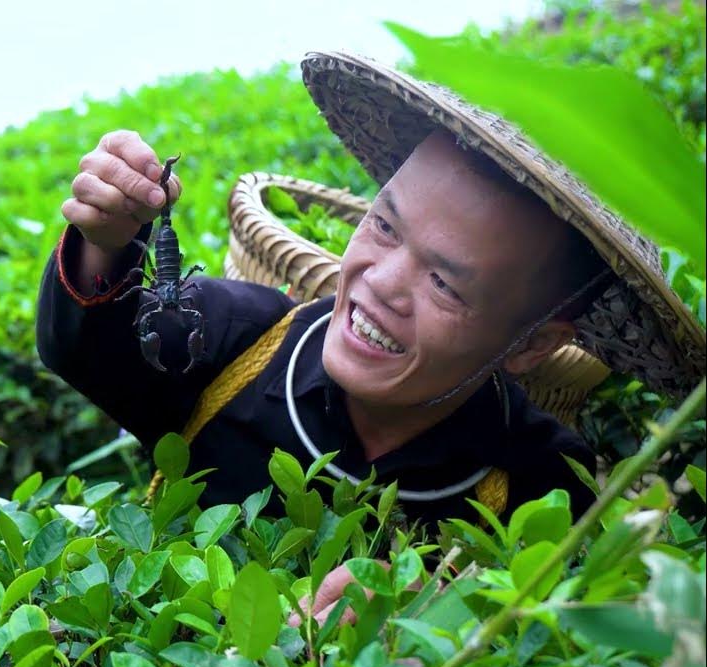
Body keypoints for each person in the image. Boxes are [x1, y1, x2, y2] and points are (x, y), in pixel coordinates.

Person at [37, 51, 704, 526]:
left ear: (533, 344)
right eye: (384, 225)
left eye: (444, 282)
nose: (380, 284)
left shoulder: (544, 485)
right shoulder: (240, 343)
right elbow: (89, 343)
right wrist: (107, 237)